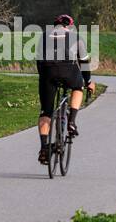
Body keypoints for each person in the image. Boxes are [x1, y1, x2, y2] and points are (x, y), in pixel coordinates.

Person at [35, 14, 95, 165]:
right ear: (69, 26)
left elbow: (39, 61)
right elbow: (84, 62)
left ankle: (43, 148)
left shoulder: (43, 36)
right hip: (68, 70)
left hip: (47, 72)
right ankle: (72, 122)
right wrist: (88, 81)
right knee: (78, 87)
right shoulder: (75, 37)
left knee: (46, 113)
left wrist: (44, 78)